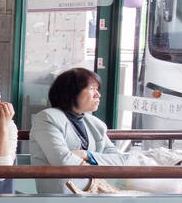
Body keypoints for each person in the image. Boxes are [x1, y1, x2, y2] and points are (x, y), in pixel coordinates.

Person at [29, 67, 128, 195]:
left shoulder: (96, 124)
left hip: (94, 195)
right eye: (92, 89)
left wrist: (87, 155)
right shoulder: (48, 118)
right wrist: (101, 167)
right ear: (71, 92)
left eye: (97, 90)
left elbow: (119, 160)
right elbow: (62, 161)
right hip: (61, 197)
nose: (98, 95)